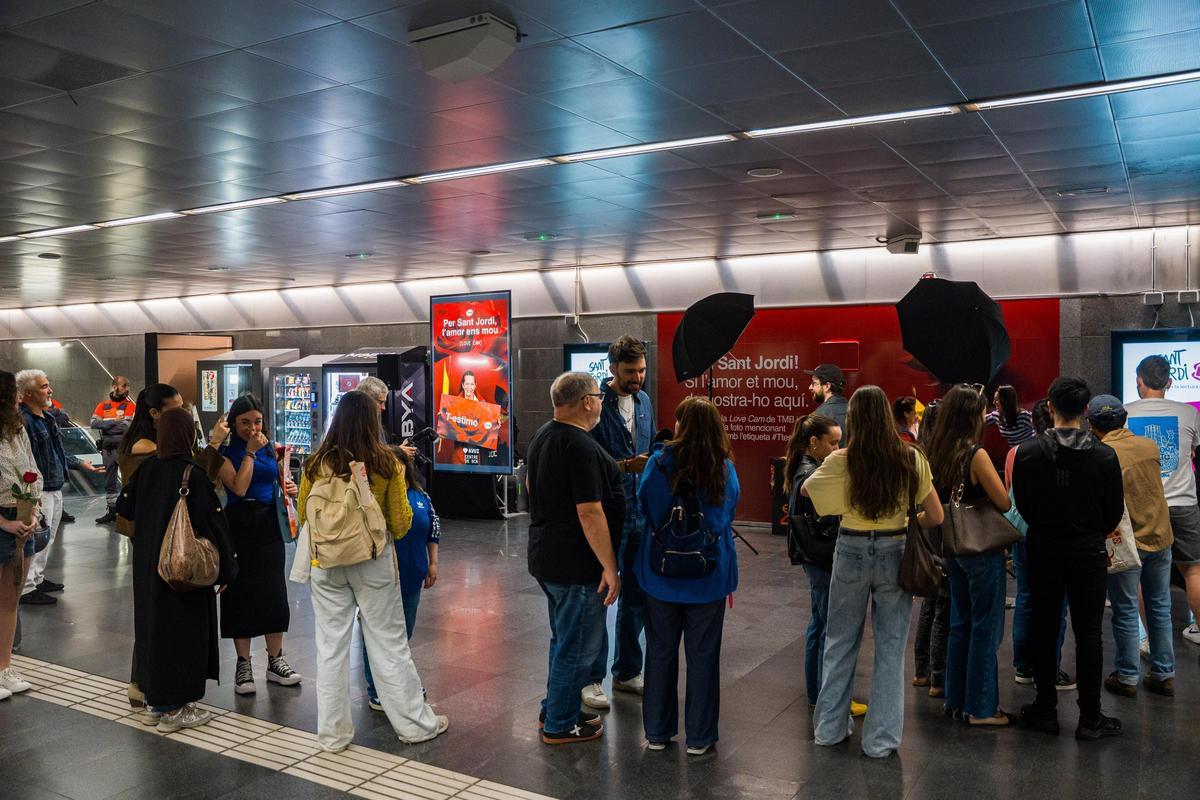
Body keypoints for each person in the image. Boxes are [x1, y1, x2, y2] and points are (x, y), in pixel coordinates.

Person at [298, 390, 447, 750]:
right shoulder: (385, 463)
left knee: (331, 648)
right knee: (389, 643)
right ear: (372, 421)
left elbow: (304, 515)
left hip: (326, 564)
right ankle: (414, 725)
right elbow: (399, 524)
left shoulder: (314, 463)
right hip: (373, 562)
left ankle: (333, 735)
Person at [803, 385, 943, 758]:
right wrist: (911, 519)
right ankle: (881, 742)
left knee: (839, 641)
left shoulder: (841, 460)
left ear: (852, 421)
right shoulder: (910, 458)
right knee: (891, 647)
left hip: (850, 548)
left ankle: (830, 729)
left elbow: (807, 492)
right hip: (895, 549)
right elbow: (937, 515)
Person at [1013, 377, 1124, 740]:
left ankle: (1045, 708)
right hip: (1088, 553)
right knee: (1089, 634)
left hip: (1044, 549)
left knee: (1045, 629)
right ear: (1086, 411)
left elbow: (1024, 507)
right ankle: (1090, 718)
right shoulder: (1105, 456)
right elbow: (1112, 514)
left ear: (1050, 406)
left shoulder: (1028, 454)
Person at [115, 408, 238, 732]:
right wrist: (227, 570)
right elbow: (212, 524)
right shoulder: (191, 474)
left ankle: (156, 704)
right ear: (187, 436)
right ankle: (174, 711)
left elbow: (125, 506)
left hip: (147, 569)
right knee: (181, 636)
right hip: (182, 574)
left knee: (152, 632)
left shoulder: (148, 468)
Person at [636, 397, 739, 755]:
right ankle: (699, 737)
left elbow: (644, 505)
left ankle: (658, 734)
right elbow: (726, 515)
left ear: (679, 425)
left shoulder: (658, 462)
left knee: (660, 652)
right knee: (704, 656)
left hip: (659, 574)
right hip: (708, 576)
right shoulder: (723, 467)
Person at [526, 372, 622, 744]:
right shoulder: (579, 445)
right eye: (598, 396)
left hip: (548, 557)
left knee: (563, 639)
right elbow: (590, 512)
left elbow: (535, 488)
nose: (600, 402)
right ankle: (561, 724)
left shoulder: (542, 435)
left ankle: (556, 707)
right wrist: (610, 567)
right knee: (578, 646)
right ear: (586, 401)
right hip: (576, 565)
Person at [923, 385, 1013, 726]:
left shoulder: (935, 451)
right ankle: (981, 707)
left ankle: (955, 699)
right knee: (985, 628)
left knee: (959, 623)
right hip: (979, 547)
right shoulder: (976, 454)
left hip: (951, 547)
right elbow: (1003, 502)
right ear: (972, 416)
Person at [1086, 396, 1175, 697]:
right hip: (1161, 536)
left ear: (1093, 425)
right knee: (1160, 606)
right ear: (1124, 419)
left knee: (1125, 611)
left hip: (1127, 543)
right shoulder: (1149, 446)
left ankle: (1126, 677)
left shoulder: (1101, 453)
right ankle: (1164, 672)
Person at [584, 335, 654, 709]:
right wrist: (626, 466)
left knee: (637, 596)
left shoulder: (644, 402)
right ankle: (592, 677)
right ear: (612, 368)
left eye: (642, 370)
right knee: (601, 594)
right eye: (630, 371)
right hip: (608, 513)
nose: (638, 377)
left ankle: (626, 671)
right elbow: (587, 463)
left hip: (641, 510)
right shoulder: (594, 403)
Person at [216, 394, 301, 695]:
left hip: (269, 524)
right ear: (233, 424)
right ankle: (243, 663)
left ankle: (276, 659)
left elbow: (277, 479)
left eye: (257, 421)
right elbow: (237, 487)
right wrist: (250, 453)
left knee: (273, 590)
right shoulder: (226, 454)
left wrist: (288, 485)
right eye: (245, 422)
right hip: (239, 524)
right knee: (240, 591)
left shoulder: (270, 447)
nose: (252, 428)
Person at [784, 413, 867, 717]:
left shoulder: (802, 468)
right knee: (829, 628)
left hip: (812, 555)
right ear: (814, 442)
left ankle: (818, 694)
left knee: (819, 626)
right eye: (833, 442)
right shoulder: (811, 474)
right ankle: (829, 698)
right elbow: (827, 514)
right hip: (821, 556)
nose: (837, 447)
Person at [1125, 355, 1200, 646]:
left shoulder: (1125, 412)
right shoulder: (1189, 413)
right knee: (1193, 568)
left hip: (1142, 504)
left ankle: (1151, 639)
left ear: (1138, 380)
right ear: (1169, 382)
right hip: (1183, 502)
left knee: (1143, 574)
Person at [362, 446, 441, 711]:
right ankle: (376, 690)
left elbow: (433, 529)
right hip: (381, 578)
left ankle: (399, 681)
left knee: (402, 634)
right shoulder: (376, 498)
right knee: (376, 634)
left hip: (412, 575)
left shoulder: (420, 496)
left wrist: (433, 563)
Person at [15, 369, 102, 606]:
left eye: (47, 385)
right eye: (43, 387)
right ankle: (27, 587)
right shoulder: (23, 422)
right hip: (39, 490)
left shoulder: (48, 418)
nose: (50, 390)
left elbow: (58, 450)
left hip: (54, 485)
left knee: (48, 536)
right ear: (27, 394)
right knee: (36, 538)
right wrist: (31, 495)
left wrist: (79, 463)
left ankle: (37, 578)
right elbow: (23, 459)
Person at [1006, 399, 1074, 691]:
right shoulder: (1070, 452)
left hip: (1022, 532)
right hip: (1055, 533)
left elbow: (1010, 493)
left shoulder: (1017, 452)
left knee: (1026, 597)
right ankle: (1051, 668)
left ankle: (1024, 666)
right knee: (1056, 604)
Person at [0, 369, 40, 700]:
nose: (18, 397)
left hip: (23, 520)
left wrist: (33, 511)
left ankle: (4, 666)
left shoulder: (17, 430)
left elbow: (33, 471)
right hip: (2, 521)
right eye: (13, 391)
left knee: (11, 599)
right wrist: (4, 522)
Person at [912, 400, 951, 698]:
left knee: (929, 600)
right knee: (943, 604)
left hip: (923, 528)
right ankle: (938, 677)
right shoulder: (948, 455)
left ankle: (921, 671)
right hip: (941, 527)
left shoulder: (920, 451)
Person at [92, 375, 136, 525]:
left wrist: (105, 423)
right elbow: (93, 423)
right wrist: (114, 421)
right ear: (114, 387)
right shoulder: (103, 405)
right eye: (124, 385)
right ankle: (112, 511)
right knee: (109, 482)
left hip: (124, 449)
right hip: (108, 450)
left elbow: (126, 426)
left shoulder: (130, 406)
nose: (127, 389)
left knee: (128, 480)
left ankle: (127, 512)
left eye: (127, 386)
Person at [805, 364, 848, 443]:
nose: (810, 387)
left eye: (814, 383)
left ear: (827, 386)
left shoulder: (819, 416)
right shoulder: (855, 410)